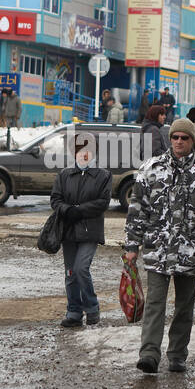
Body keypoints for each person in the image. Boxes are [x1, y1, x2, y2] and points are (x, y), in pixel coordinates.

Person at [125, 119, 195, 374]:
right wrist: (132, 245)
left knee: (184, 306)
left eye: (184, 138)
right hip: (157, 250)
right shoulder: (151, 168)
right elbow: (137, 210)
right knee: (155, 303)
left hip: (191, 253)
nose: (179, 141)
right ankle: (149, 354)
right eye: (175, 137)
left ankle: (177, 354)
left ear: (193, 141)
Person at [51, 135, 113, 328]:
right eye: (79, 150)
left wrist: (79, 210)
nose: (83, 154)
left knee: (80, 268)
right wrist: (67, 210)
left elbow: (103, 203)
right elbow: (55, 199)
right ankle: (74, 312)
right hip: (68, 231)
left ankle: (92, 308)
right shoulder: (65, 174)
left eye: (87, 150)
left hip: (90, 231)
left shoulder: (103, 175)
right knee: (70, 273)